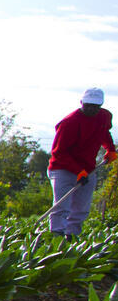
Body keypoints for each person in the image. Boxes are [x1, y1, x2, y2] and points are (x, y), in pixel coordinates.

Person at [47, 87, 115, 237]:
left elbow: (104, 132)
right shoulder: (69, 123)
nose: (91, 109)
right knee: (61, 206)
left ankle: (72, 236)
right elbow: (59, 154)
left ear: (101, 106)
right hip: (62, 169)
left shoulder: (104, 116)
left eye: (95, 106)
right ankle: (56, 238)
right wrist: (78, 171)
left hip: (88, 169)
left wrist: (110, 149)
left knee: (81, 208)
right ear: (81, 103)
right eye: (88, 105)